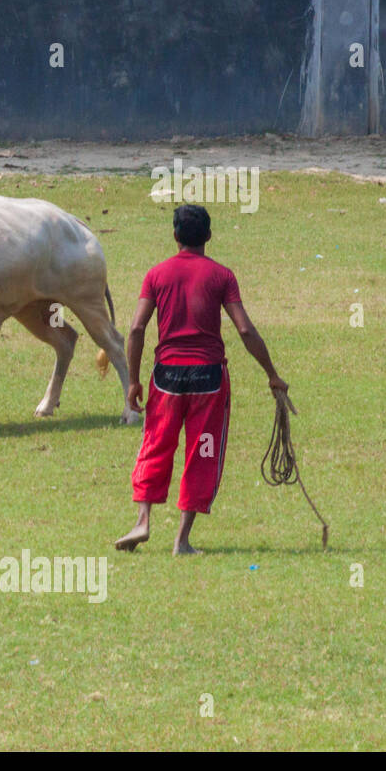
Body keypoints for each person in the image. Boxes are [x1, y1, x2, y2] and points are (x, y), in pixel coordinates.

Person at [116, 204, 287, 555]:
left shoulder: (157, 275)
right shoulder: (222, 276)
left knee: (156, 443)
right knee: (203, 451)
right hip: (209, 379)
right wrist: (272, 374)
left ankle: (143, 521)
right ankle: (182, 540)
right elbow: (245, 329)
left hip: (166, 377)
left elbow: (136, 328)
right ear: (208, 236)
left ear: (175, 236)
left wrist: (132, 381)